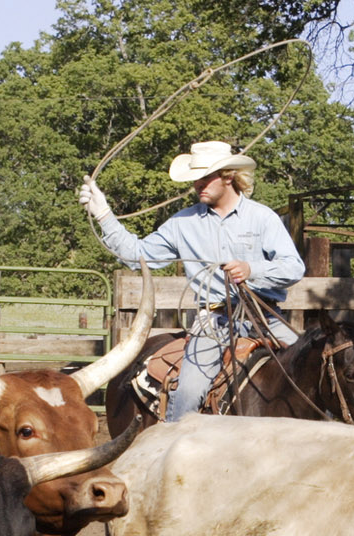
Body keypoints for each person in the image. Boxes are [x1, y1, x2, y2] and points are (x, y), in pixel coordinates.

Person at [79, 141, 305, 420]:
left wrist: (251, 269)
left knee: (312, 367)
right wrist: (103, 214)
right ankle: (174, 445)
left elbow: (294, 267)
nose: (198, 184)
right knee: (189, 391)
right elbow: (137, 255)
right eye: (195, 178)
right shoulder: (182, 224)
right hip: (215, 324)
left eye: (205, 177)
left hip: (265, 320)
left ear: (227, 176)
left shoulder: (263, 219)